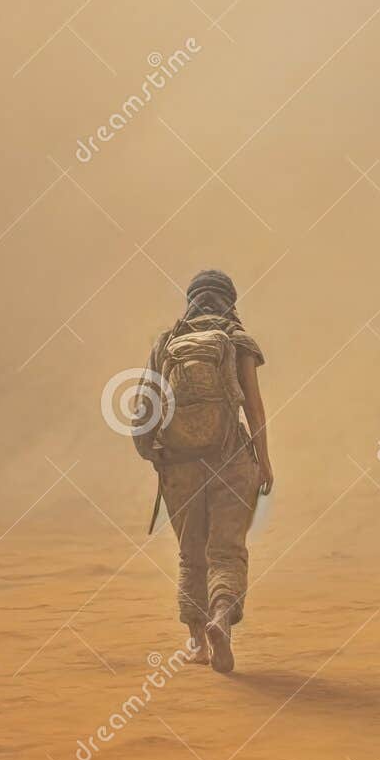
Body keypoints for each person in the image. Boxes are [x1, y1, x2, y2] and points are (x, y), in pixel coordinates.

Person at [132, 269, 274, 673]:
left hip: (179, 468)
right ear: (230, 301)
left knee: (191, 553)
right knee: (227, 551)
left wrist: (154, 454)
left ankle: (196, 642)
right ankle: (221, 619)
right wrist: (263, 461)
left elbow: (144, 410)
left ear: (191, 299)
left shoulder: (168, 343)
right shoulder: (237, 340)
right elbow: (255, 409)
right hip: (231, 460)